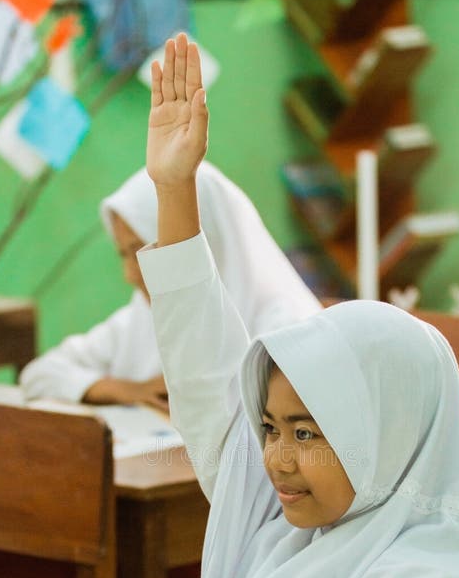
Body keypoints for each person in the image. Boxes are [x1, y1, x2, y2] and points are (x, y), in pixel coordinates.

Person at [54, 34, 459, 578]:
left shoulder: (421, 560)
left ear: (385, 436)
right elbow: (201, 368)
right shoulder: (278, 521)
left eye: (309, 432)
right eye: (269, 428)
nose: (277, 460)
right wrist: (173, 190)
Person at [19, 159, 321, 409]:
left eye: (142, 250)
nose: (130, 275)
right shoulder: (141, 320)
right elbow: (40, 374)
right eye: (124, 254)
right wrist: (123, 389)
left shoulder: (283, 326)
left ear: (201, 241)